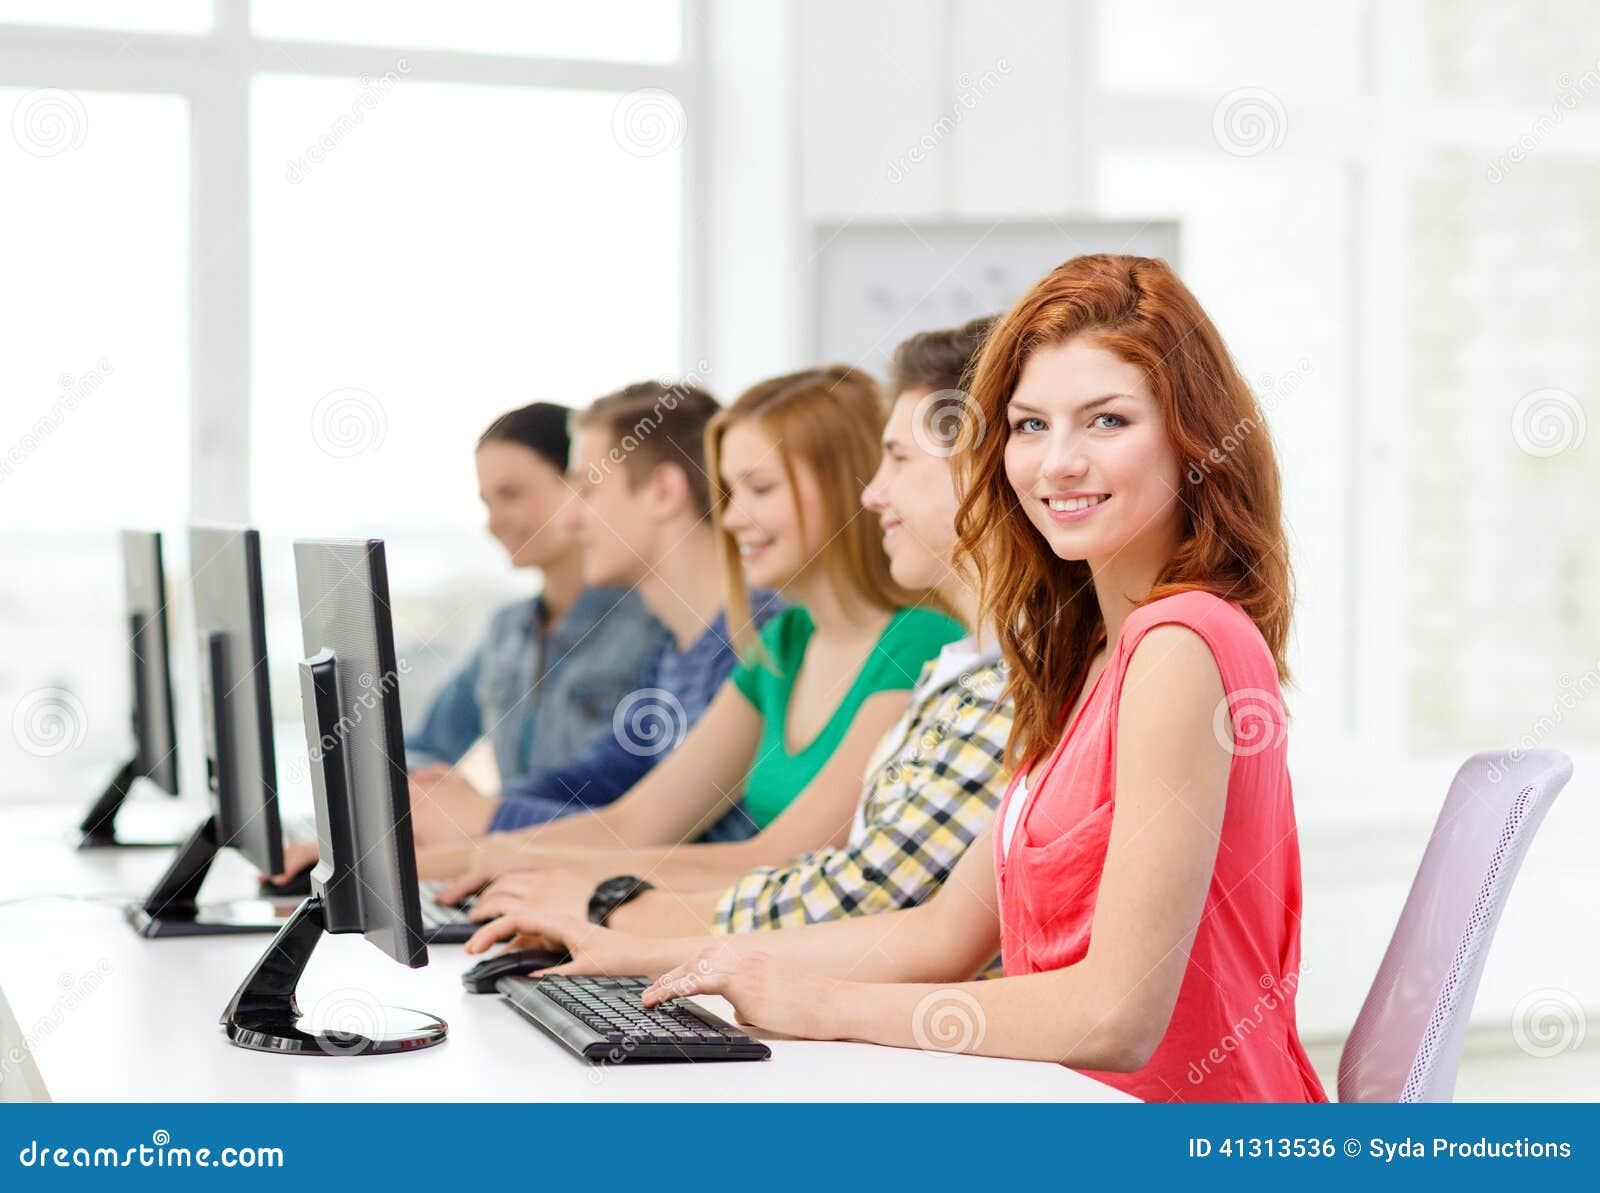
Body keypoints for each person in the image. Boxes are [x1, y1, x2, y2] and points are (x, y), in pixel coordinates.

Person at [462, 255, 1328, 1104]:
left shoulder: (1183, 643)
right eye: (1031, 425)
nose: (1058, 461)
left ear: (1193, 435)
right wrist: (646, 951)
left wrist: (820, 1004)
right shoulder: (1089, 658)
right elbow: (942, 933)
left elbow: (1114, 1013)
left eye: (1106, 420)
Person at [450, 319, 1014, 940]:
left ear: (840, 485)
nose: (733, 518)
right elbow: (643, 818)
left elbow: (791, 863)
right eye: (729, 490)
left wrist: (584, 892)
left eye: (760, 488)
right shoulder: (783, 641)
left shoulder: (922, 645)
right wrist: (506, 860)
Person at [265, 399, 666, 886]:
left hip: (584, 872)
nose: (494, 522)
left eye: (512, 495)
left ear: (578, 488)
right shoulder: (507, 631)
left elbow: (638, 809)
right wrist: (438, 793)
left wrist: (480, 813)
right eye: (486, 502)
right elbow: (423, 746)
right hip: (502, 863)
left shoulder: (655, 629)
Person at [405, 380, 783, 848]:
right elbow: (597, 781)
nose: (568, 518)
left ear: (664, 492)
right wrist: (455, 816)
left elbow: (639, 830)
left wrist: (482, 819)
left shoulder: (759, 639)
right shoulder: (674, 651)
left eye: (586, 489)